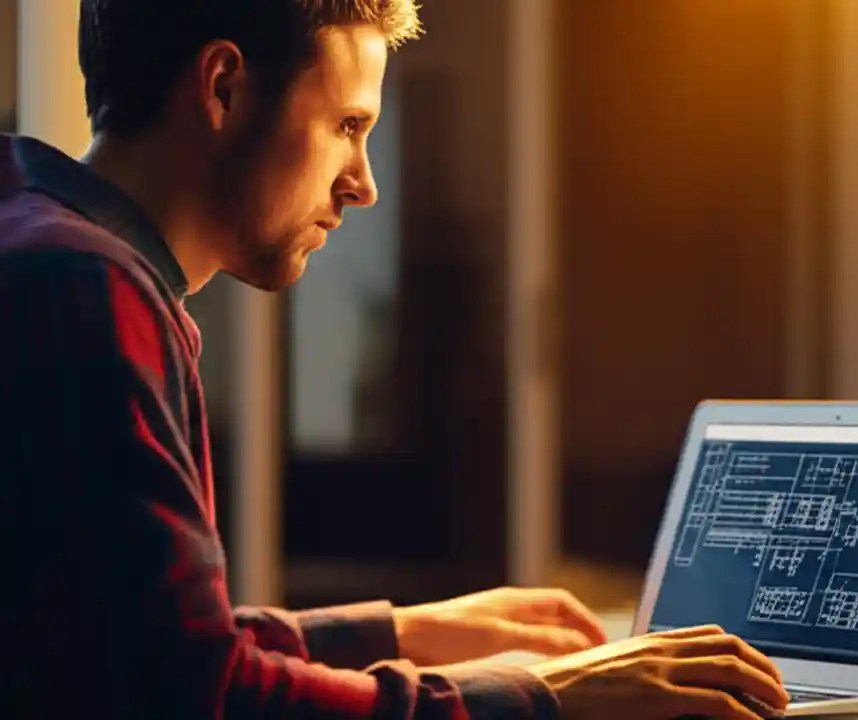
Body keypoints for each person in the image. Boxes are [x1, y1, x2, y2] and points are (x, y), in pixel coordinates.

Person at [0, 1, 790, 718]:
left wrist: (402, 630)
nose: (365, 184)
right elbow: (197, 697)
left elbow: (133, 644)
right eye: (348, 125)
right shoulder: (87, 293)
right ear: (224, 88)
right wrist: (545, 697)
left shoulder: (42, 242)